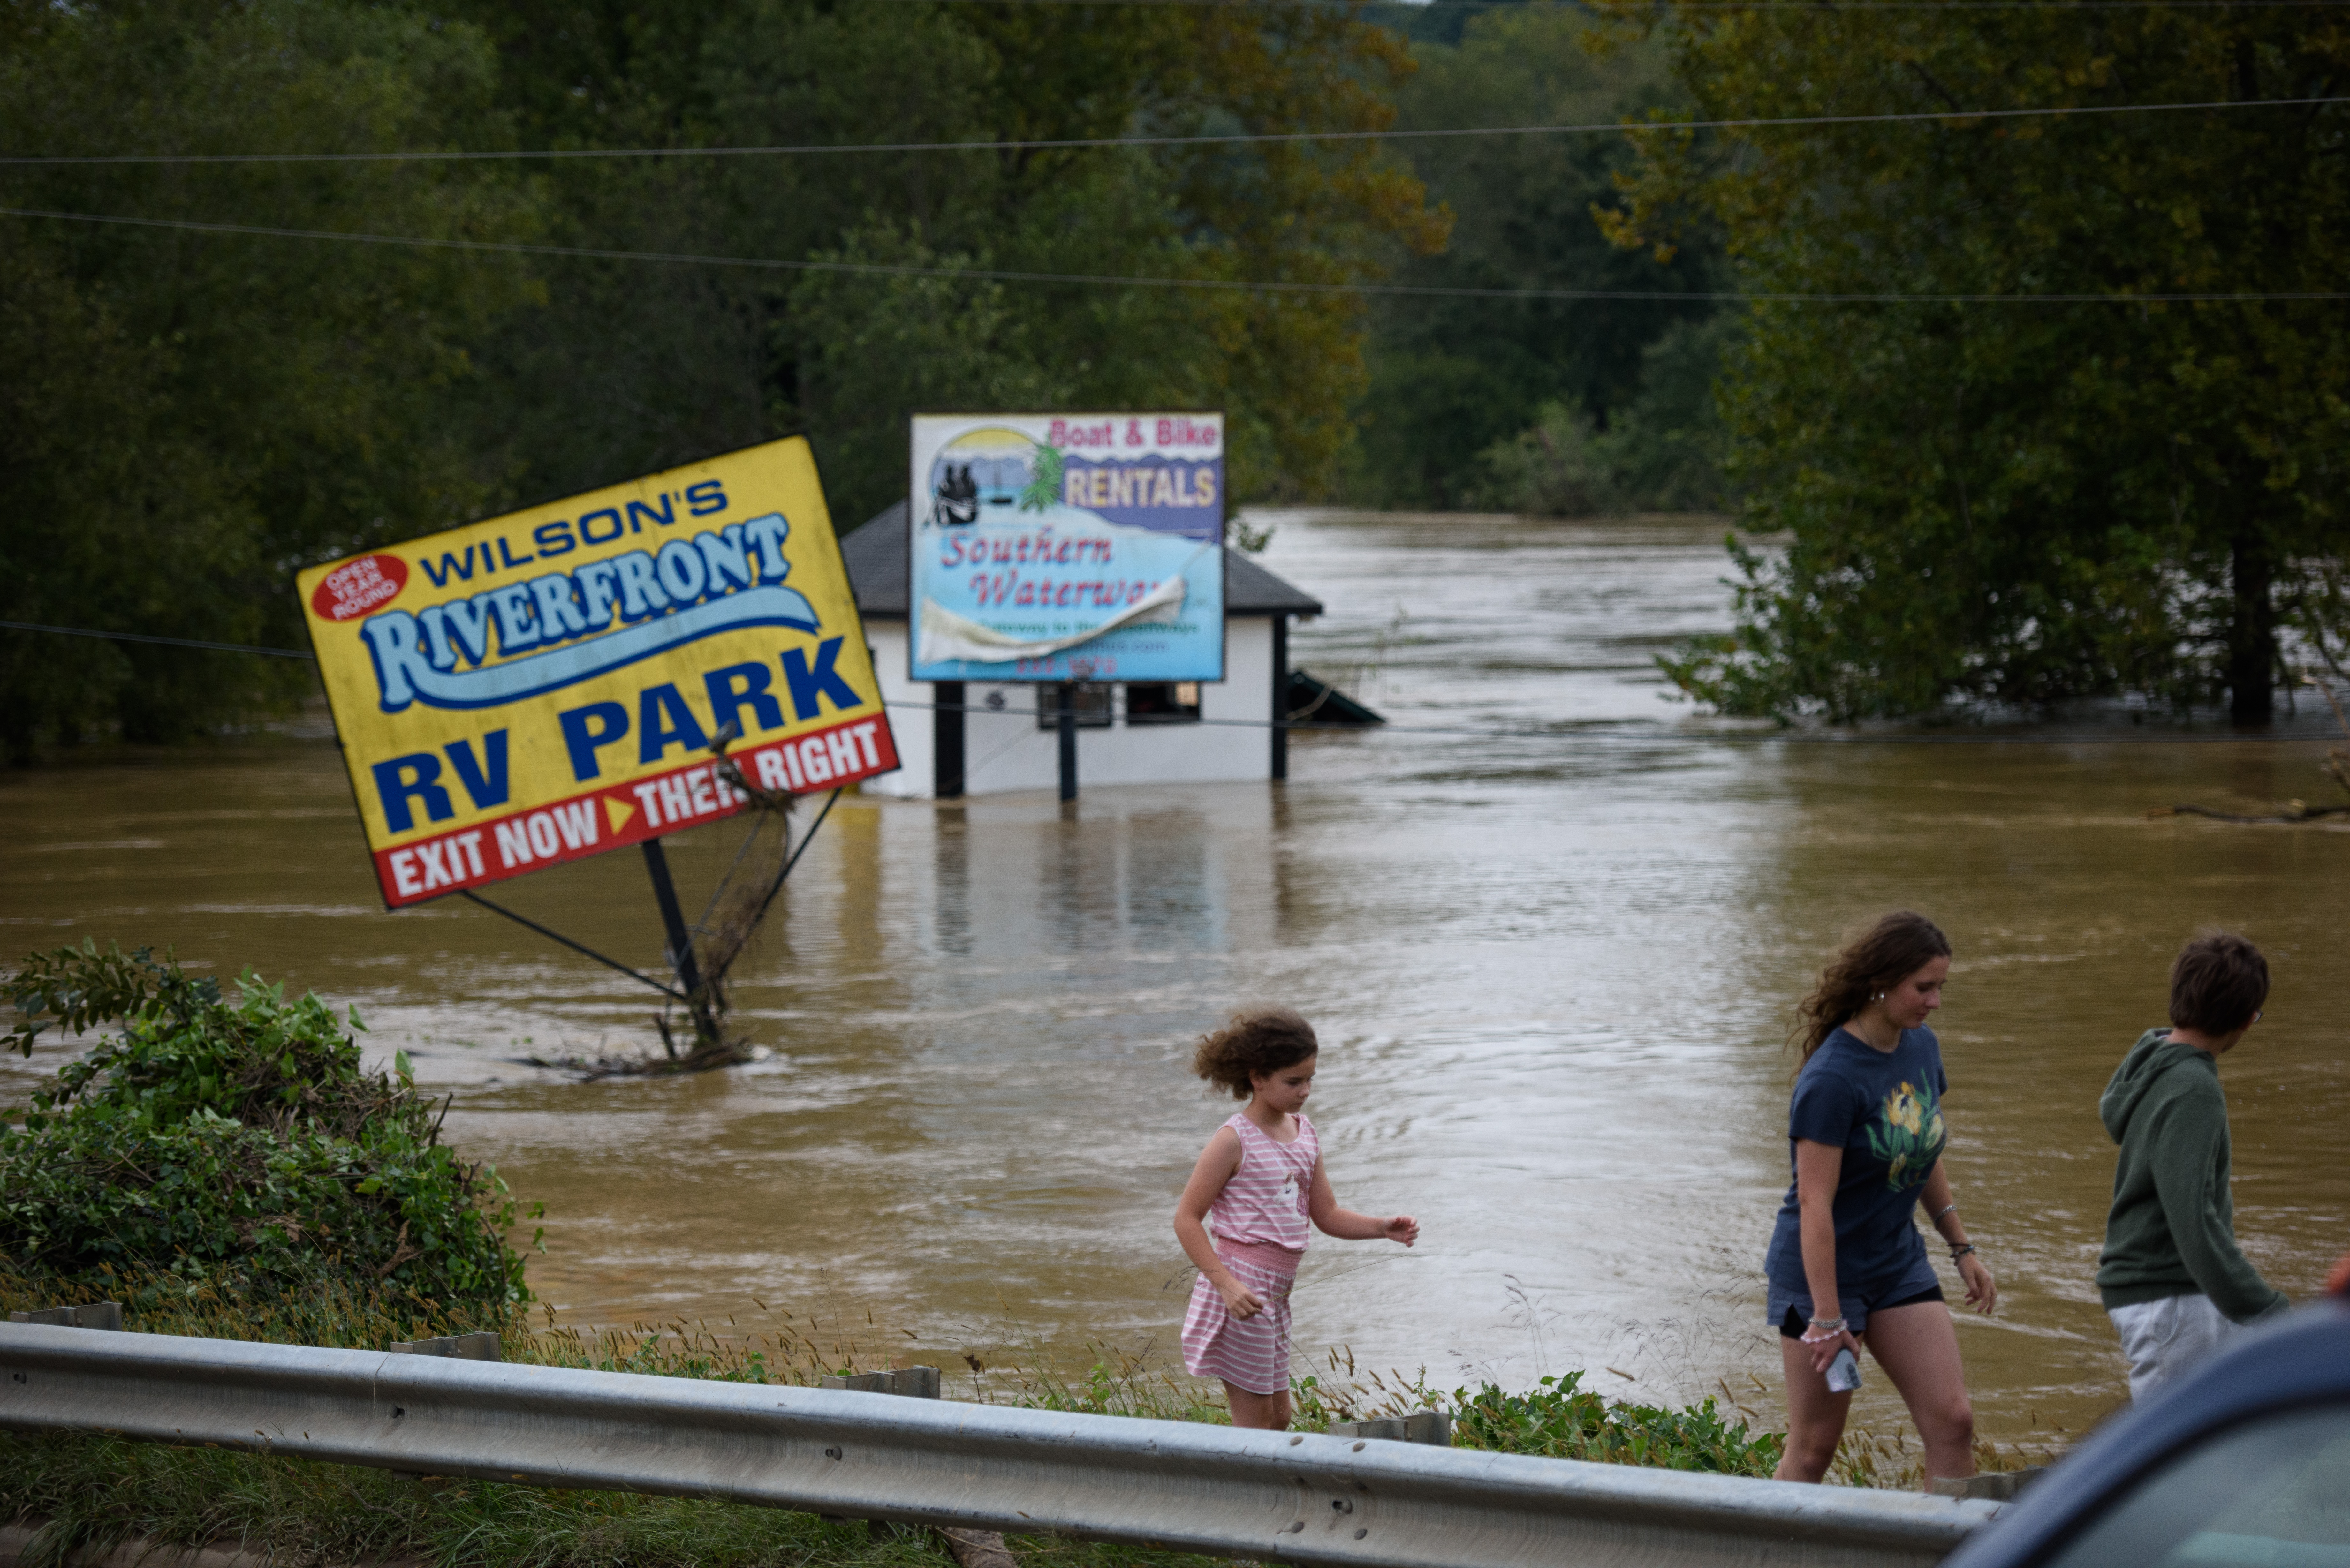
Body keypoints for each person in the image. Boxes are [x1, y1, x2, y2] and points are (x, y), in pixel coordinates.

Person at [1763, 911, 1997, 1487]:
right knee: (1815, 1450)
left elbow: (1919, 1152)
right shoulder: (1833, 1080)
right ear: (1882, 982)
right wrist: (1826, 1316)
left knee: (1953, 1421)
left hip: (1896, 1264)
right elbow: (1815, 1205)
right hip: (1823, 1280)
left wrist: (1960, 1246)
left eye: (1941, 987)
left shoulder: (1921, 1049)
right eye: (1925, 988)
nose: (1935, 1002)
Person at [1172, 1008, 1419, 1429]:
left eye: (1310, 1080)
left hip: (1279, 1295)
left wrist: (1380, 1228)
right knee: (1257, 1423)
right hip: (1241, 1292)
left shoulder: (1305, 1134)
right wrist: (1227, 1286)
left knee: (1281, 1420)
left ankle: (1258, 1492)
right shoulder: (1233, 1140)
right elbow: (1186, 1219)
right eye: (1294, 1082)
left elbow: (1327, 1215)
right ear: (1257, 1078)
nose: (1305, 1091)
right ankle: (1245, 1494)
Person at [2096, 930, 2289, 1401]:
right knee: (2173, 1461)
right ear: (2246, 1020)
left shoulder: (2153, 1062)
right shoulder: (2194, 1089)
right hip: (2171, 1299)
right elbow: (2194, 1219)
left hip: (2164, 1295)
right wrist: (2267, 1309)